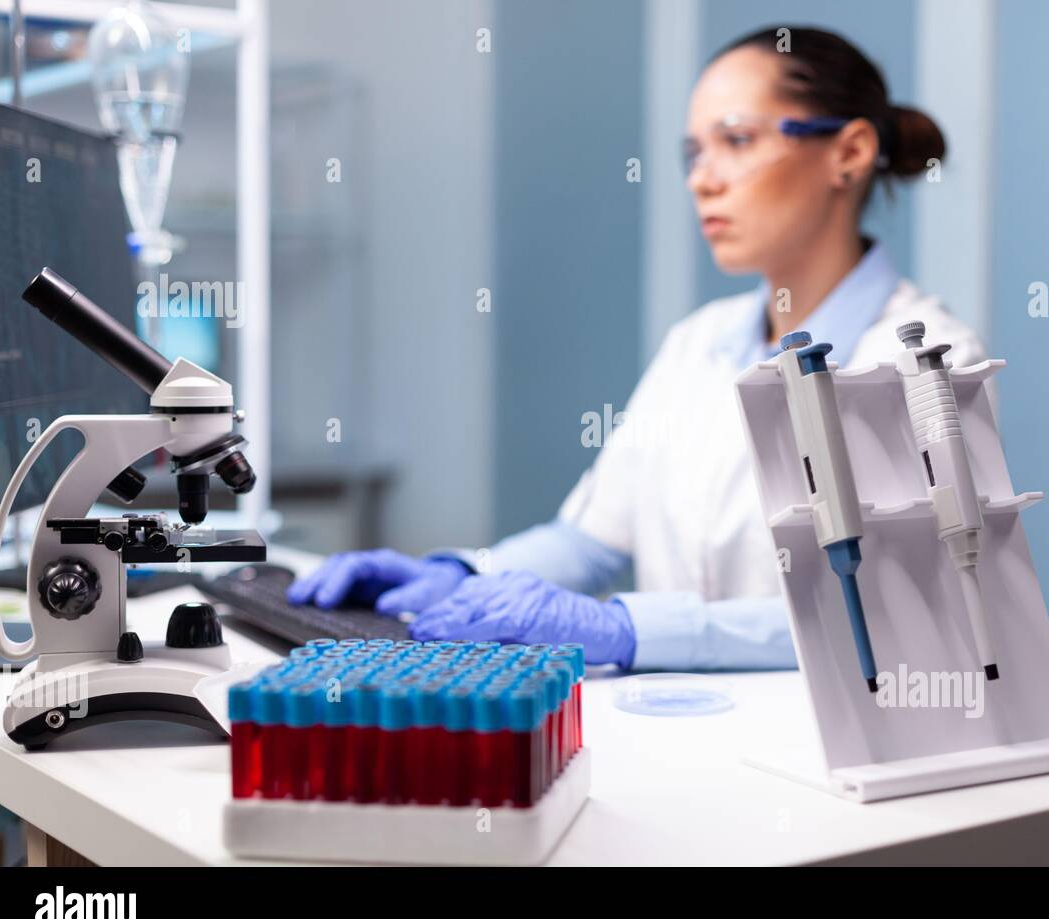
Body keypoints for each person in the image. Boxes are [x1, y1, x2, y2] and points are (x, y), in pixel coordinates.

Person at [288, 26, 985, 670]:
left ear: (850, 153)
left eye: (736, 140)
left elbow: (888, 611)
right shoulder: (700, 341)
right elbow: (592, 540)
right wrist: (465, 573)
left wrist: (628, 628)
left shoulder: (926, 357)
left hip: (841, 747)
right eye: (694, 152)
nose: (701, 179)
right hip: (684, 731)